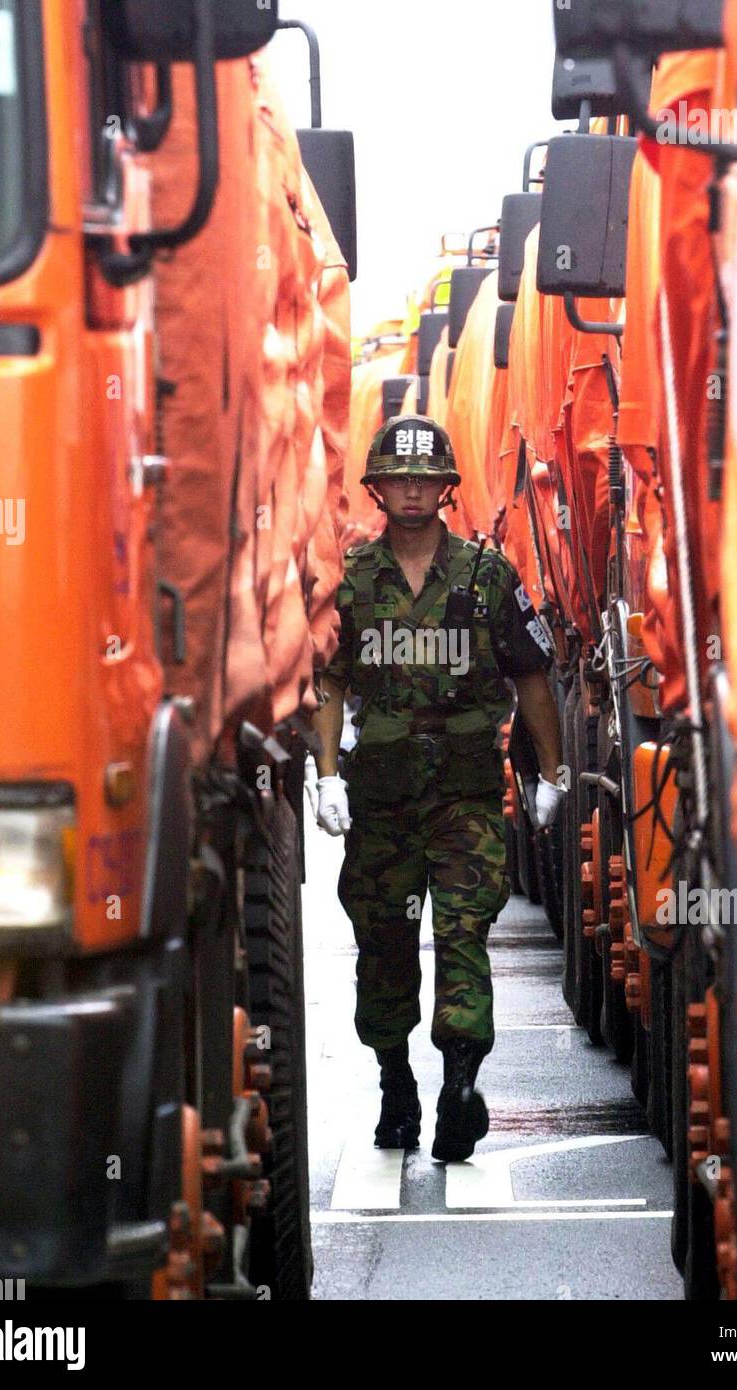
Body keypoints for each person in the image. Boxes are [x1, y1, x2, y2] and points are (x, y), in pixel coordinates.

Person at [311, 415, 564, 1162]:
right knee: (384, 945)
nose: (412, 491)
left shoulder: (488, 578)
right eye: (399, 478)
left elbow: (532, 676)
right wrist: (326, 775)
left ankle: (461, 1082)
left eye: (425, 479)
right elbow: (328, 680)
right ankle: (396, 1081)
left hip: (465, 795)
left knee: (462, 935)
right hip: (383, 800)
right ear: (378, 489)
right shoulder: (352, 583)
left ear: (447, 488)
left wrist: (552, 773)